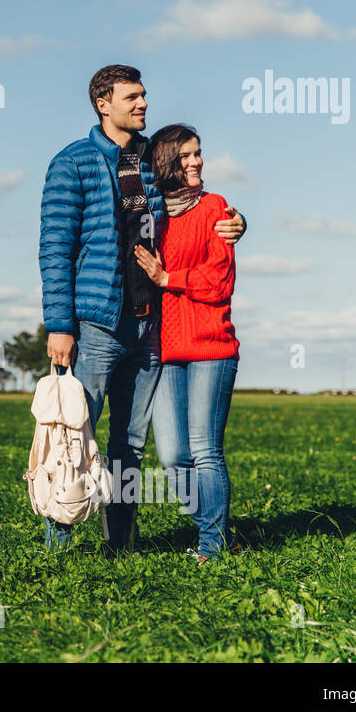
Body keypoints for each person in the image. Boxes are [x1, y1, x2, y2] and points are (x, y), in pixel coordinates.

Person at [39, 64, 246, 553]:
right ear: (102, 103)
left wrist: (238, 220)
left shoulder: (150, 160)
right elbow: (55, 246)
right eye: (131, 97)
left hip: (149, 327)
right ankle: (58, 543)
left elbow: (192, 199)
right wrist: (60, 324)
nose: (143, 104)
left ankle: (119, 540)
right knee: (74, 436)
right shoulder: (73, 163)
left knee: (128, 444)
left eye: (145, 96)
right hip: (94, 327)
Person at [134, 124, 241, 563]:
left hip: (212, 347)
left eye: (198, 154)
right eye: (186, 156)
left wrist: (167, 279)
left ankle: (211, 547)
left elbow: (219, 281)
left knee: (204, 450)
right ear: (166, 164)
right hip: (164, 349)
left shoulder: (216, 208)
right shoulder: (152, 219)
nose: (196, 162)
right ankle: (216, 531)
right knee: (174, 456)